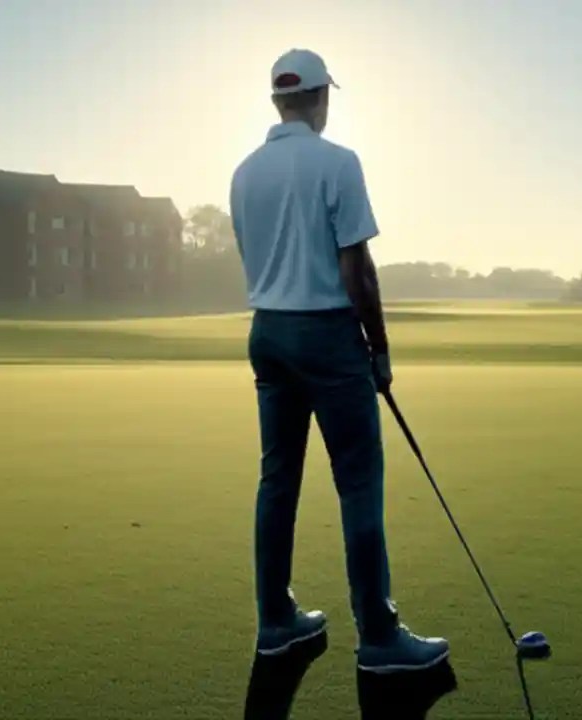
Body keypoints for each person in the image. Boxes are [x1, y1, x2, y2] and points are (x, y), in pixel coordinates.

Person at [229, 48, 449, 673]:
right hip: (327, 336)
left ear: (278, 99)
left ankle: (275, 622)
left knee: (278, 482)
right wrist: (379, 351)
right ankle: (379, 637)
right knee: (357, 483)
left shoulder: (244, 173)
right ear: (323, 97)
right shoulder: (338, 163)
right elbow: (358, 270)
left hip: (267, 332)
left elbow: (254, 259)